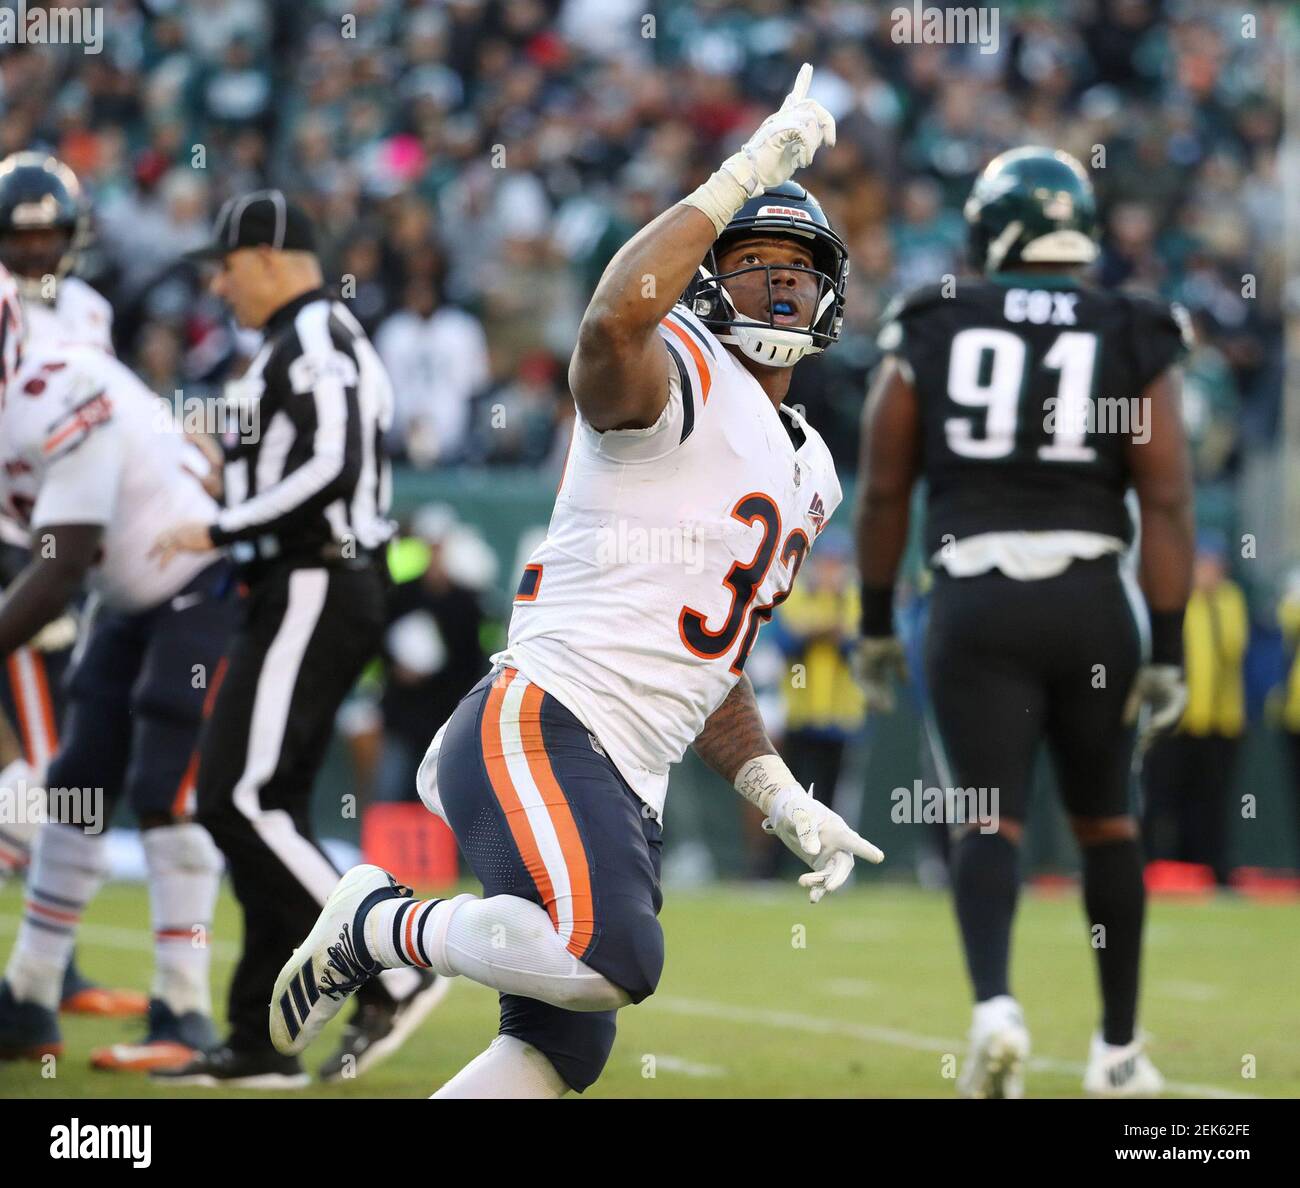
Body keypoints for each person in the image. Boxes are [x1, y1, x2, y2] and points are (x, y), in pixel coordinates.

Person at [270, 65, 882, 1099]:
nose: (777, 282)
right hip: (546, 719)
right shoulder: (672, 362)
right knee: (612, 963)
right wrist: (743, 172)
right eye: (752, 262)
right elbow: (607, 324)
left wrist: (778, 797)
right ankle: (380, 921)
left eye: (797, 266)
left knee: (560, 1049)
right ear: (706, 277)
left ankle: (390, 930)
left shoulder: (812, 467)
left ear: (829, 290)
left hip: (622, 768)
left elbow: (711, 658)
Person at [854, 147, 1194, 1097]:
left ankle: (995, 1007)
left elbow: (885, 488)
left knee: (984, 821)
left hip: (977, 597)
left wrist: (877, 620)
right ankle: (1119, 1053)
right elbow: (1166, 499)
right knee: (1108, 825)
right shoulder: (1129, 322)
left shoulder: (935, 317)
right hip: (1091, 597)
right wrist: (1167, 645)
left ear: (993, 226)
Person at [151, 191, 444, 1087]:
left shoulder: (314, 336)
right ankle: (257, 1037)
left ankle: (394, 963)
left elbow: (333, 462)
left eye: (228, 264)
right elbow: (302, 456)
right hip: (300, 584)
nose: (219, 282)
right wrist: (219, 468)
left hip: (318, 579)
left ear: (271, 258)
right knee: (262, 805)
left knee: (238, 800)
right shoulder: (292, 344)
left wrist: (225, 522)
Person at [0, 263, 237, 1070]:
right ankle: (30, 996)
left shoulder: (54, 389)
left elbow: (58, 564)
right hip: (128, 596)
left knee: (162, 792)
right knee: (72, 786)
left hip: (197, 582)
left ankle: (185, 1010)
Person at [0, 151, 148, 1020]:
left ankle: (47, 968)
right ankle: (42, 976)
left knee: (63, 761)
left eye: (51, 234)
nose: (38, 252)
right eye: (24, 238)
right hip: (17, 540)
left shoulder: (87, 309)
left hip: (73, 543)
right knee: (47, 768)